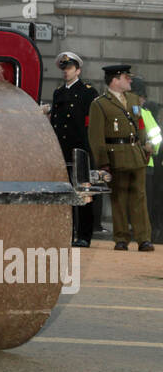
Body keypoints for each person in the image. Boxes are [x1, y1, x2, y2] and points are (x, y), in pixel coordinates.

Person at [88, 63, 153, 251]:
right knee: (118, 199)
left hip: (135, 154)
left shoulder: (132, 99)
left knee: (139, 198)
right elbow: (96, 136)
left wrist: (144, 145)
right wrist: (103, 163)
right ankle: (121, 238)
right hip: (116, 156)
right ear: (115, 80)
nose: (130, 80)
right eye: (126, 77)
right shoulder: (100, 104)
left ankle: (143, 239)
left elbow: (139, 124)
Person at [48, 50, 97, 247]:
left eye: (69, 68)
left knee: (83, 194)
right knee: (66, 194)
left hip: (80, 149)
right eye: (63, 68)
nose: (65, 72)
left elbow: (90, 124)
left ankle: (84, 235)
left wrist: (88, 148)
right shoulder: (58, 93)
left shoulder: (88, 92)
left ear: (78, 70)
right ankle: (68, 233)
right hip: (62, 149)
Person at [131, 78, 163, 242]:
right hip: (136, 164)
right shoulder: (128, 112)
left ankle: (140, 232)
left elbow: (156, 139)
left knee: (141, 202)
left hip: (142, 164)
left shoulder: (146, 114)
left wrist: (151, 146)